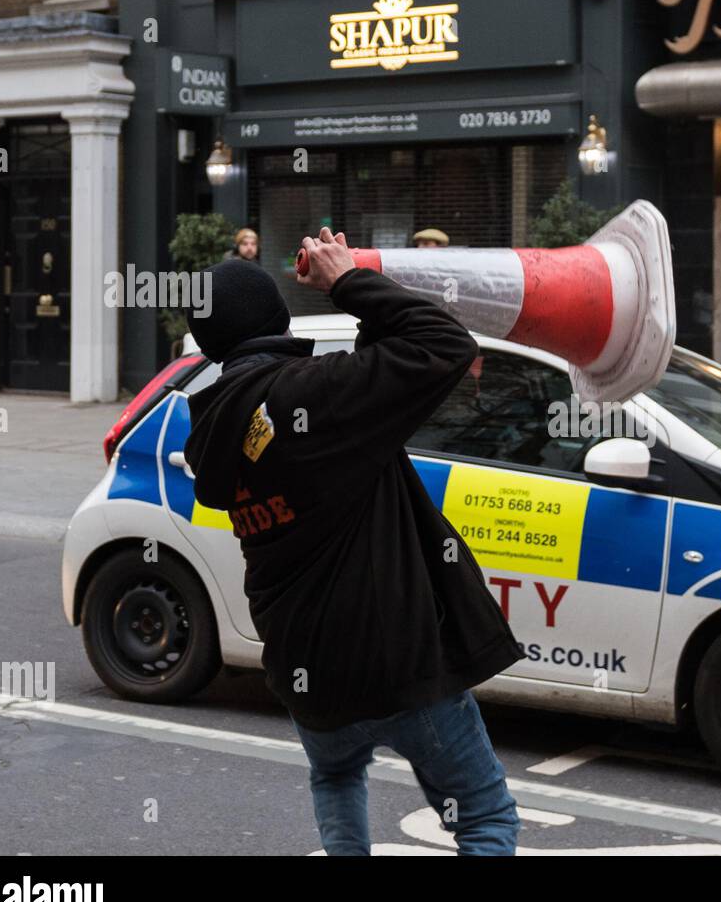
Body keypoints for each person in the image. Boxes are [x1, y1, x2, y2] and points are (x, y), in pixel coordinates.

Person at [183, 228, 525, 855]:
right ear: (277, 315)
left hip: (303, 665)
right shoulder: (312, 394)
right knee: (484, 817)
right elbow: (445, 346)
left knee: (337, 775)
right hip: (395, 661)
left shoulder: (217, 426)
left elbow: (368, 399)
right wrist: (348, 282)